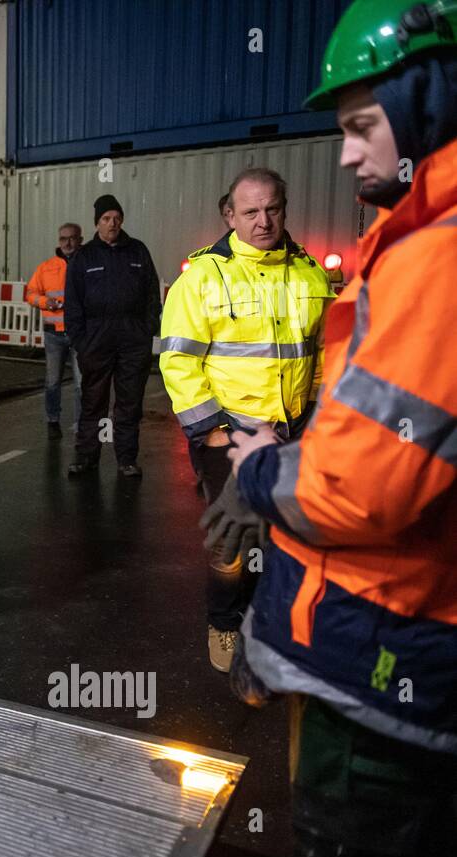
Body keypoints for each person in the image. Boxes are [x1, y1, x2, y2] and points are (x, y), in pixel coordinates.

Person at [219, 0, 457, 857]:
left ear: (431, 100)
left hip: (383, 670)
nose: (348, 151)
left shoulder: (436, 256)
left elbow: (360, 485)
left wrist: (260, 471)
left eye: (362, 125)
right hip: (381, 635)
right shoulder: (406, 241)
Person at [160, 168, 332, 673]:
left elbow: (322, 351)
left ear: (284, 209)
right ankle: (225, 623)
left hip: (294, 433)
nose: (263, 221)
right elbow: (178, 361)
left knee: (285, 535)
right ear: (229, 215)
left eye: (272, 209)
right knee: (231, 541)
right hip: (230, 435)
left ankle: (271, 622)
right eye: (251, 212)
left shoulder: (308, 272)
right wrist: (211, 431)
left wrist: (319, 412)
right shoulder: (204, 278)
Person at [64, 195, 161, 478]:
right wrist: (81, 341)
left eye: (116, 218)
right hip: (96, 343)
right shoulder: (84, 257)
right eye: (106, 219)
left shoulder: (138, 252)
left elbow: (152, 295)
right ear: (96, 223)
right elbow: (73, 303)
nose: (112, 223)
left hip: (133, 342)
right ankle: (85, 458)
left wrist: (146, 330)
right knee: (93, 403)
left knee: (129, 404)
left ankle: (126, 460)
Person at [26, 223, 83, 440]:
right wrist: (44, 301)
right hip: (53, 334)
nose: (67, 243)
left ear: (80, 240)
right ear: (58, 241)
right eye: (63, 239)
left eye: (72, 238)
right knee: (52, 382)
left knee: (81, 384)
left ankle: (81, 425)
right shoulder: (46, 267)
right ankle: (52, 420)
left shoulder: (85, 264)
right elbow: (31, 293)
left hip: (78, 333)